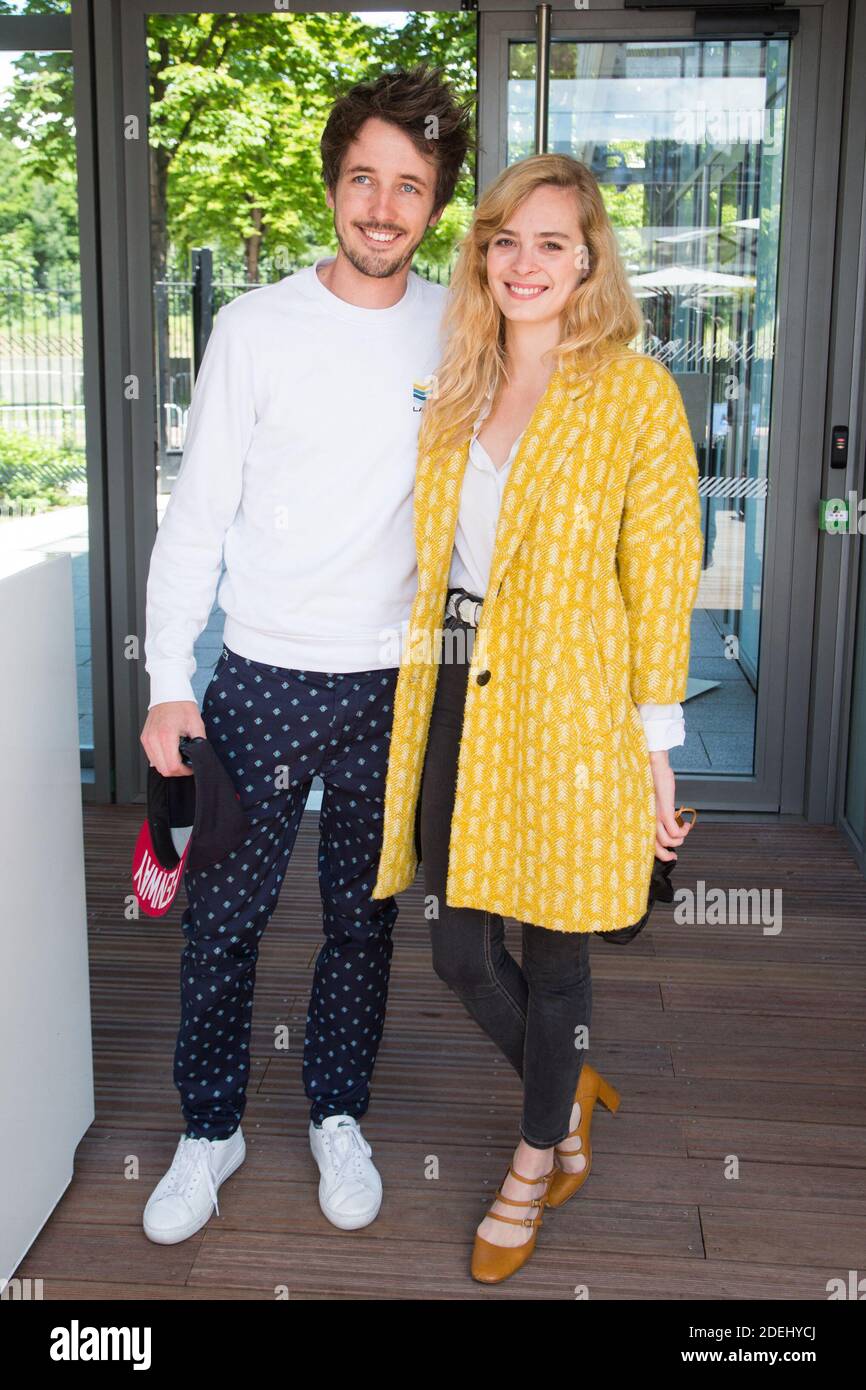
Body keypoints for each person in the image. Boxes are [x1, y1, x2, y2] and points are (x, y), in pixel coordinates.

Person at [139, 65, 473, 1244]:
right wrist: (167, 679)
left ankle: (337, 1108)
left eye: (410, 186)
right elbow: (195, 517)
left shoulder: (457, 324)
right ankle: (209, 1128)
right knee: (222, 918)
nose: (381, 207)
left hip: (396, 680)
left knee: (360, 919)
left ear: (435, 203)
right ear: (332, 184)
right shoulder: (255, 327)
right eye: (363, 179)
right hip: (265, 676)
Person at [370, 153, 704, 1282]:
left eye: (551, 242)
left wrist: (657, 753)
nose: (524, 263)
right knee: (457, 947)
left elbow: (660, 578)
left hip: (574, 700)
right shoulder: (455, 377)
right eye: (505, 239)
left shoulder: (632, 392)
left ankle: (537, 1147)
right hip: (460, 677)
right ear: (482, 255)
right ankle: (564, 1085)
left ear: (587, 259)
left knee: (557, 946)